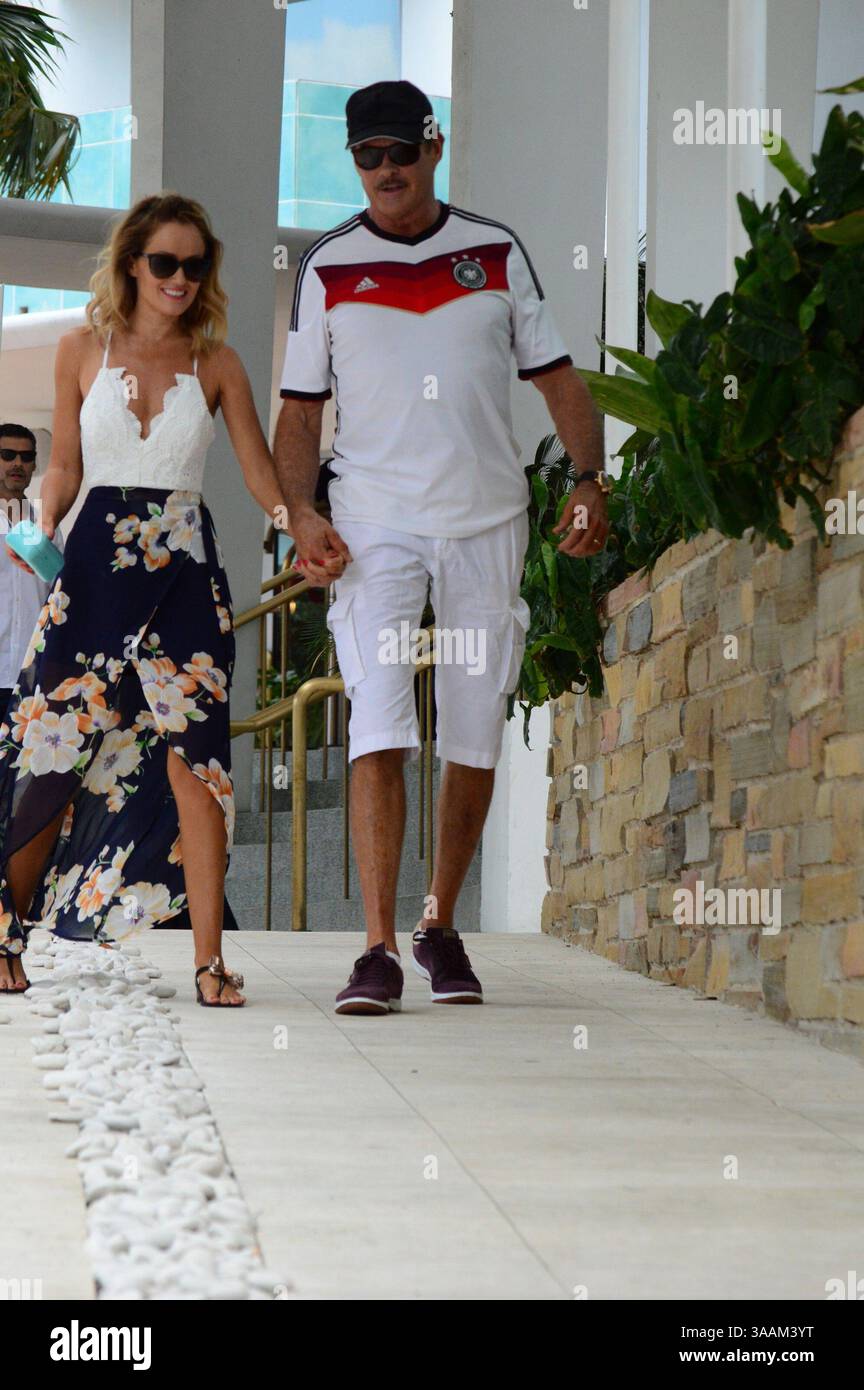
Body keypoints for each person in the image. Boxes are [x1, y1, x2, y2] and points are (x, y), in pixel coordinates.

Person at [275, 80, 609, 1016]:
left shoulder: (494, 251)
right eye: (367, 157)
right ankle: (376, 948)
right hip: (375, 523)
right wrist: (300, 512)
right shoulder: (328, 264)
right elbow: (299, 413)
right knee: (379, 718)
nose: (386, 171)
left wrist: (589, 481)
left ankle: (437, 922)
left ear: (434, 146)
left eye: (400, 152)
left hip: (487, 518)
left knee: (473, 721)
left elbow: (557, 379)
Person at [0, 193, 286, 1004]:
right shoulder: (79, 348)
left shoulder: (219, 362)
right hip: (94, 566)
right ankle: (6, 932)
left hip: (189, 573)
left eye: (195, 266)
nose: (181, 279)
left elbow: (260, 471)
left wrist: (297, 523)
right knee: (51, 749)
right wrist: (45, 517)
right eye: (165, 262)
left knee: (199, 764)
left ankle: (207, 960)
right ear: (132, 263)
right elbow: (65, 464)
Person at [0, 424, 65, 728]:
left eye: (26, 457)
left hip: (33, 674)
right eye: (7, 454)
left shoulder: (47, 525)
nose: (17, 463)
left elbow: (59, 593)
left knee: (23, 773)